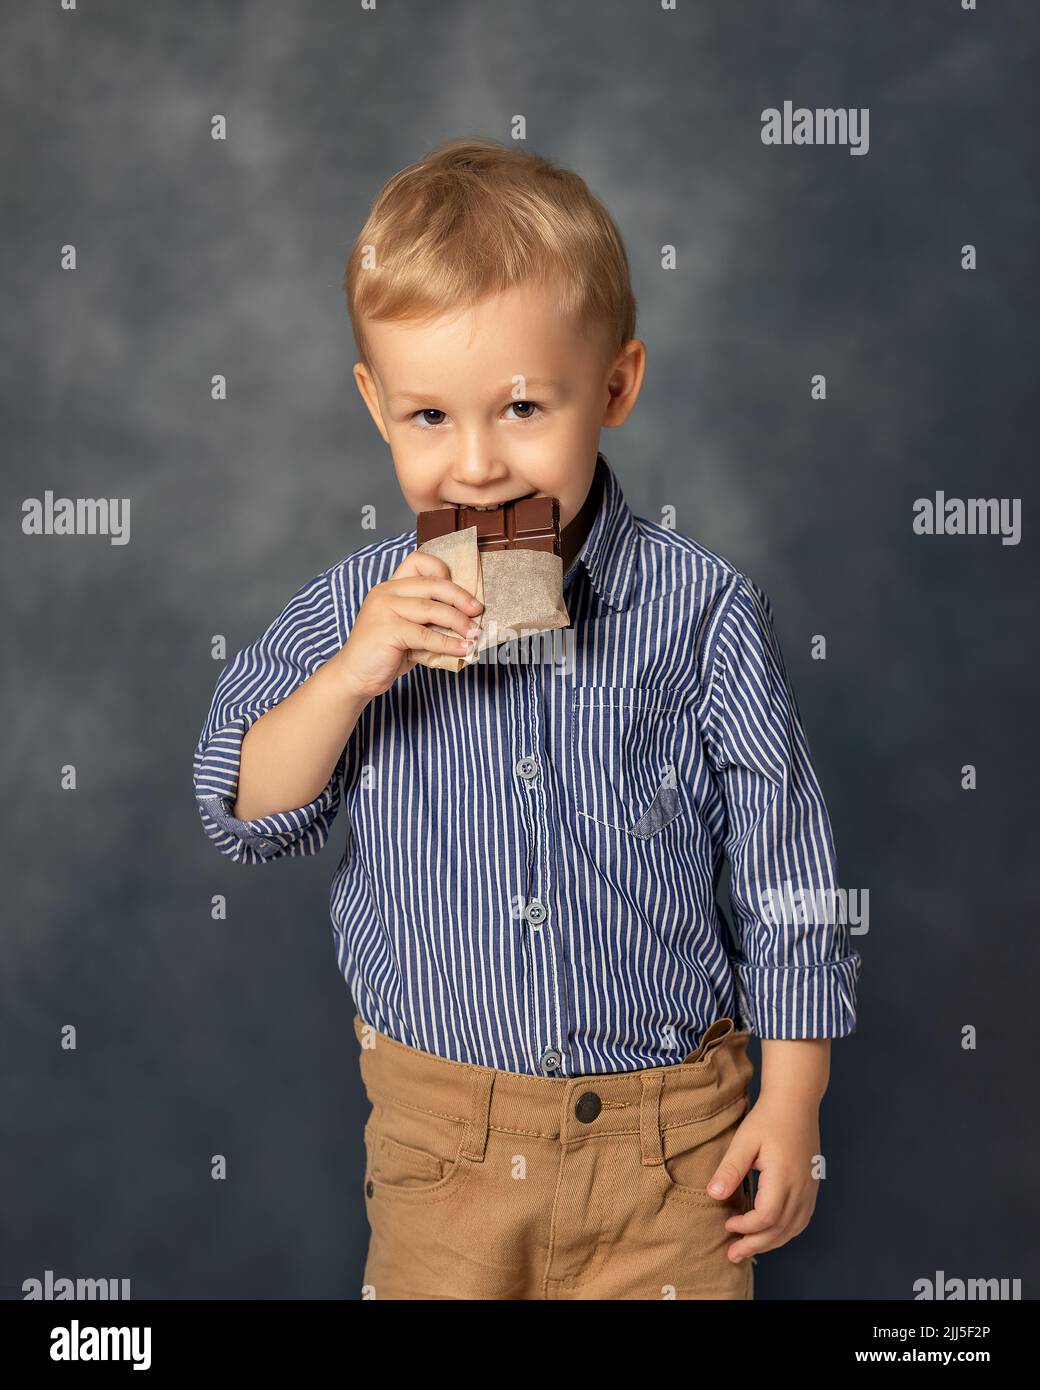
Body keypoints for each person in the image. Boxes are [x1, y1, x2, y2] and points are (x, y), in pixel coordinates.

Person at [193, 136, 862, 1300]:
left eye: (519, 408)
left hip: (670, 1152)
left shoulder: (701, 611)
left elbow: (784, 865)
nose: (476, 466)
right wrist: (355, 674)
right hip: (441, 1144)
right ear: (373, 406)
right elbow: (245, 808)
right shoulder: (354, 614)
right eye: (427, 418)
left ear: (613, 385)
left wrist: (792, 1094)